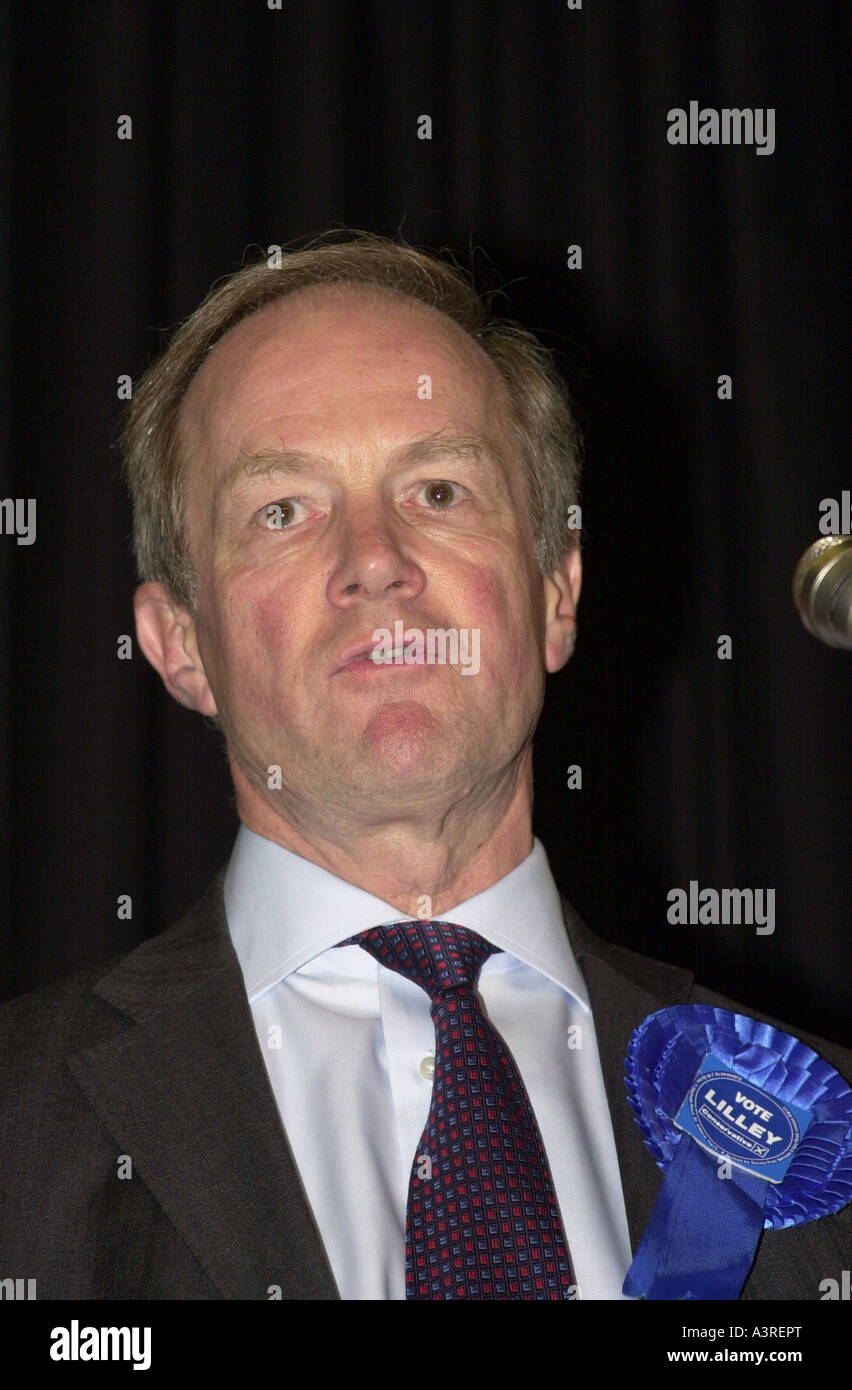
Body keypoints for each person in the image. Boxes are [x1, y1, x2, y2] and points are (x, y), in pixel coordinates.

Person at [1, 231, 849, 1300]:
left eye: (439, 490)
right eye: (282, 510)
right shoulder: (17, 1132)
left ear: (555, 592)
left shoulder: (812, 1124)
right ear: (179, 644)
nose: (375, 562)